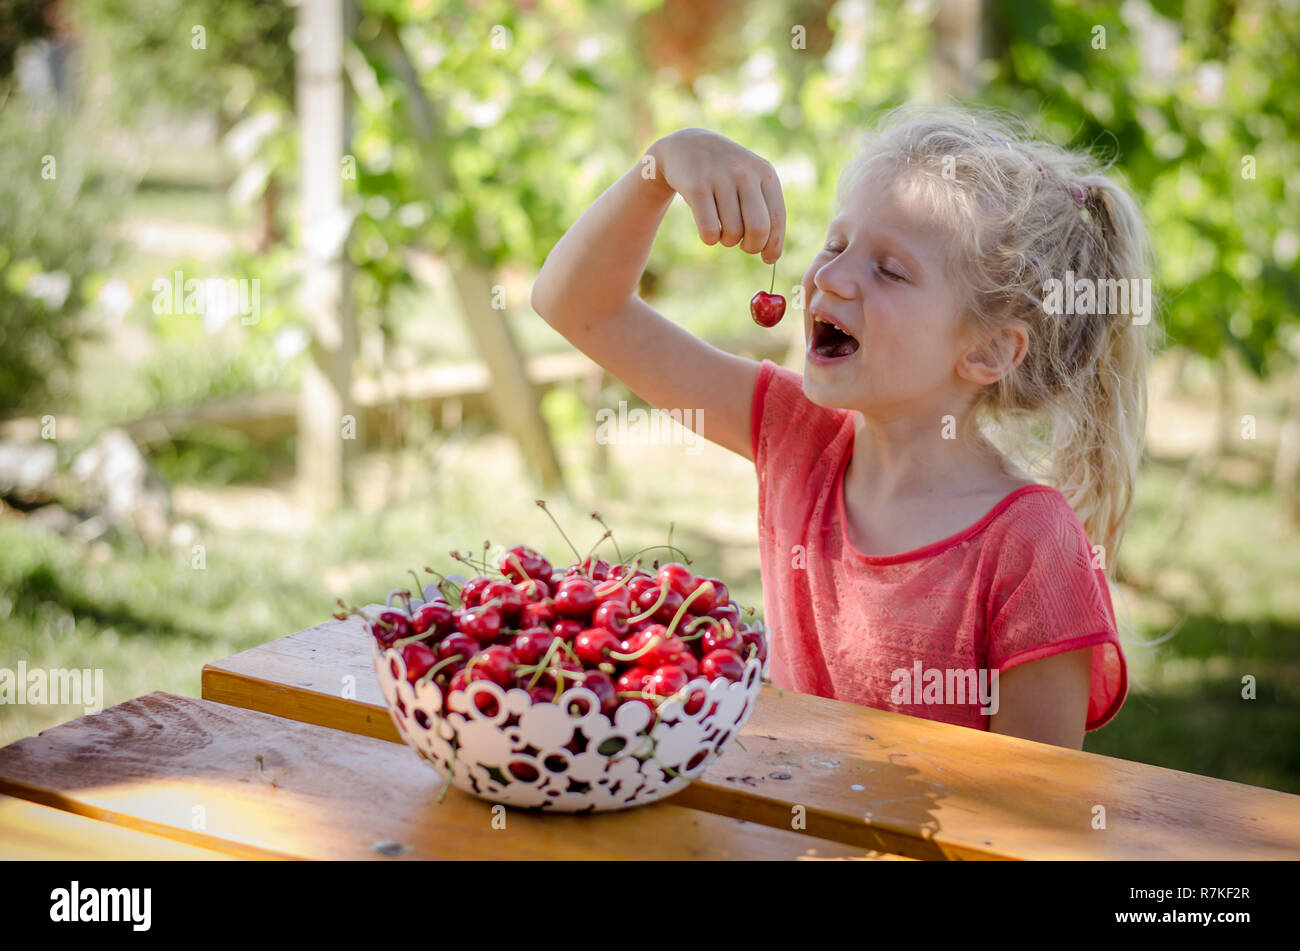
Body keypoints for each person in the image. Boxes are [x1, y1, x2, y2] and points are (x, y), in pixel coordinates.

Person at [531, 105, 1155, 749]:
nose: (828, 277)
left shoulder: (1032, 543)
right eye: (834, 245)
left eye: (889, 269)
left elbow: (1038, 810)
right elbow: (576, 306)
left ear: (989, 351)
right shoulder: (796, 430)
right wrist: (660, 165)